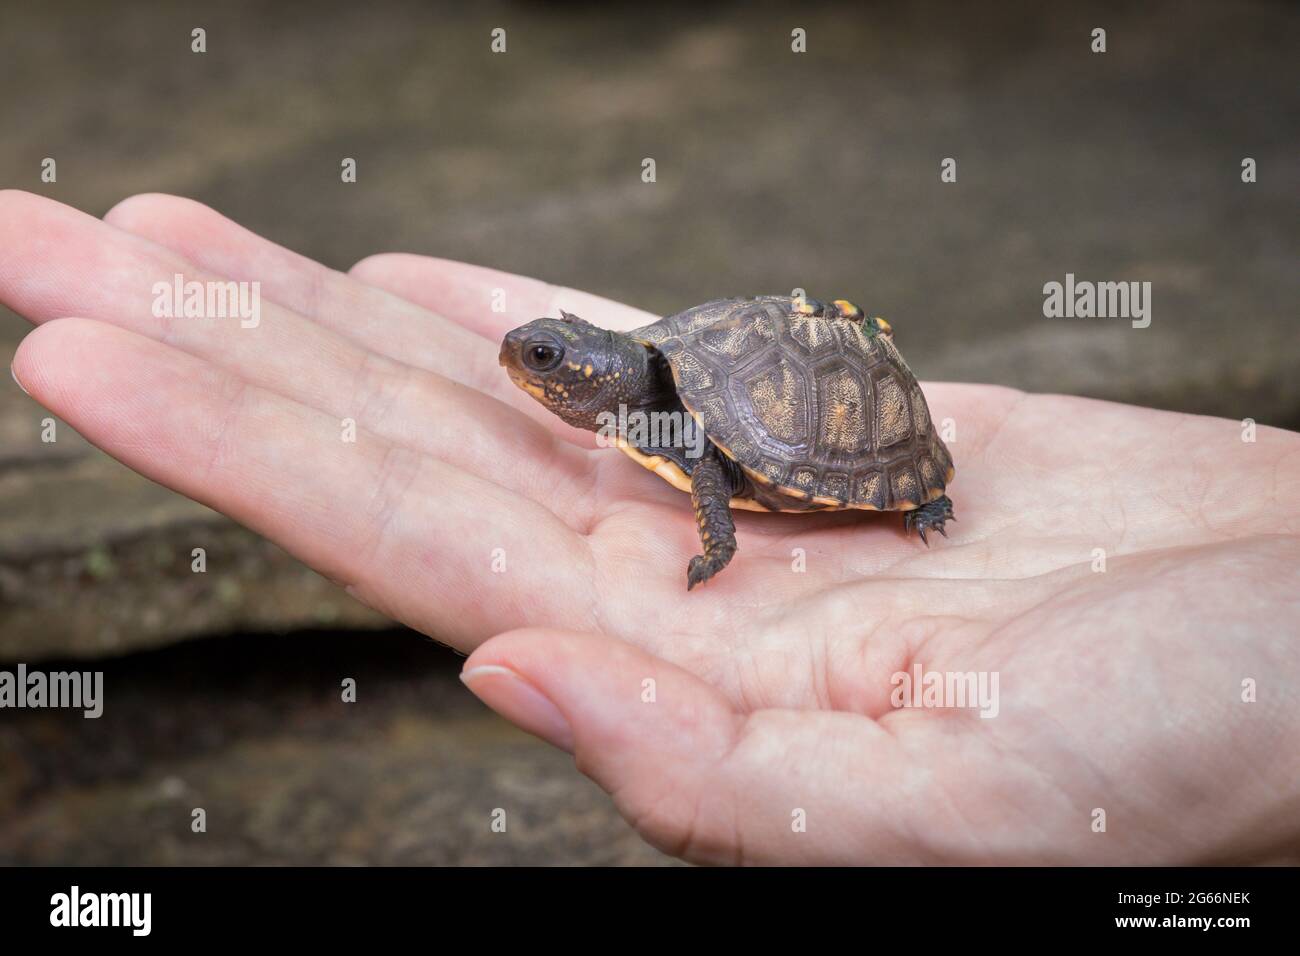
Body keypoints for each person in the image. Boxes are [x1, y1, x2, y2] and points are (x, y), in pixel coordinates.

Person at [3, 190, 1296, 865]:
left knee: (754, 458)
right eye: (548, 362)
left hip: (856, 429)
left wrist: (722, 543)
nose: (547, 371)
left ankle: (924, 489)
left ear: (612, 376)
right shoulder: (647, 382)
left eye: (561, 365)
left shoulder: (675, 419)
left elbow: (712, 467)